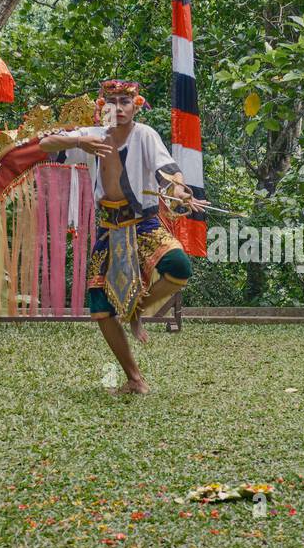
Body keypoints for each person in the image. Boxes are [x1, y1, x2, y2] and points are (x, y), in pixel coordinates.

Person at [36, 80, 208, 394]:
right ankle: (135, 379)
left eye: (125, 102)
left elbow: (169, 172)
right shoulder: (93, 136)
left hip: (143, 224)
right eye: (112, 101)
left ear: (136, 106)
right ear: (103, 107)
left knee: (179, 266)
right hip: (109, 229)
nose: (119, 108)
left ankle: (138, 311)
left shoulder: (145, 135)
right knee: (100, 307)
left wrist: (180, 192)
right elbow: (46, 144)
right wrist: (83, 143)